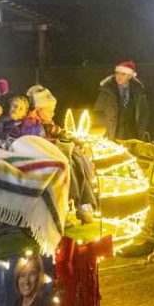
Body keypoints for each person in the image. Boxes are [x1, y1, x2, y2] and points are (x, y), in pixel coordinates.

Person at [26, 85, 97, 223]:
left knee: (78, 157)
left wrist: (73, 139)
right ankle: (77, 203)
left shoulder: (47, 121)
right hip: (45, 153)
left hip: (55, 150)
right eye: (50, 111)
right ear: (39, 109)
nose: (53, 114)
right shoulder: (32, 122)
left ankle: (84, 203)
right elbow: (42, 136)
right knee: (69, 161)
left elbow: (58, 132)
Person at [93, 60, 150, 141]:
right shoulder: (107, 92)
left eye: (123, 74)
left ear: (130, 76)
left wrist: (142, 130)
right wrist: (107, 128)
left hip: (133, 136)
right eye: (117, 73)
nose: (119, 77)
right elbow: (97, 112)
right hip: (113, 136)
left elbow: (144, 114)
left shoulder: (138, 93)